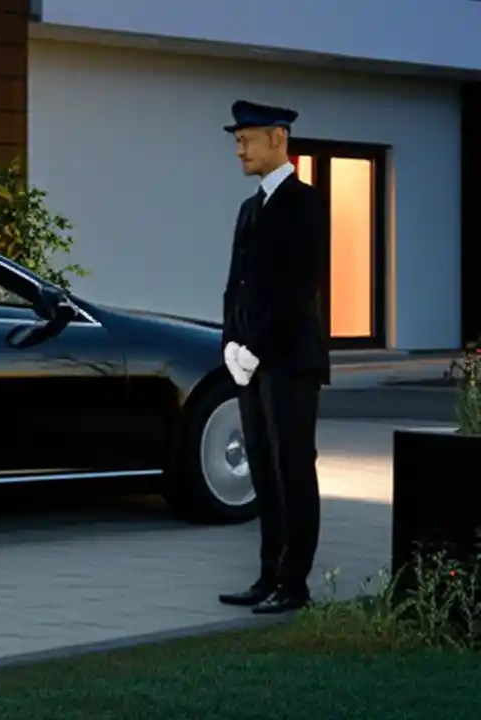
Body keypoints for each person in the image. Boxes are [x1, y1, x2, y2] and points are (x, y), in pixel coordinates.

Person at [217, 99, 330, 615]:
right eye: (236, 137)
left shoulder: (304, 203)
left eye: (248, 136)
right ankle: (268, 576)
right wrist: (229, 344)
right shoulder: (248, 208)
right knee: (263, 470)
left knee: (292, 469)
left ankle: (295, 583)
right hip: (250, 362)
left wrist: (255, 348)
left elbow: (297, 289)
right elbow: (235, 287)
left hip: (287, 361)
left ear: (278, 137)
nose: (239, 146)